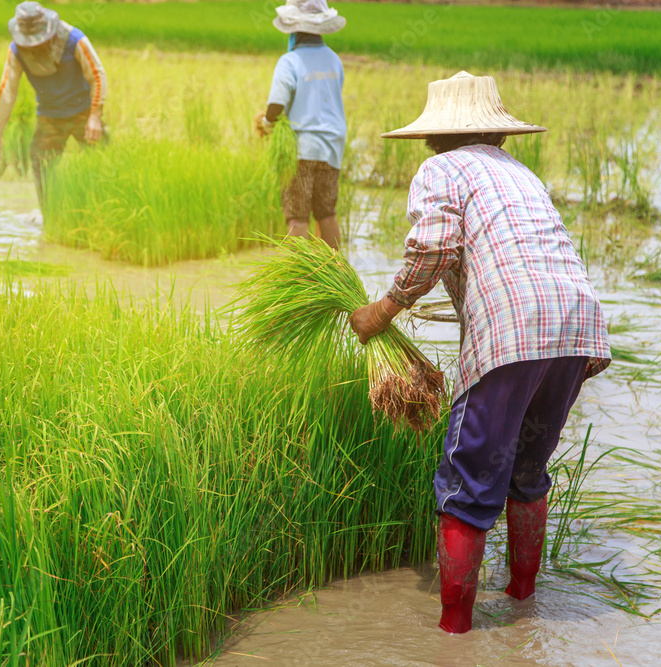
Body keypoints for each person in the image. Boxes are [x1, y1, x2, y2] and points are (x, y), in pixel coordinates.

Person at [348, 71, 611, 634]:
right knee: (526, 468)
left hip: (513, 331)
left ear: (432, 137)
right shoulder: (522, 174)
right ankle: (523, 602)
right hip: (575, 325)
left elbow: (434, 248)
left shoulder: (440, 168)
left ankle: (454, 633)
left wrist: (382, 311)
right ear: (501, 135)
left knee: (465, 484)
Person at [0, 1, 107, 204]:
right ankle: (51, 216)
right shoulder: (16, 50)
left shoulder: (72, 39)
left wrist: (95, 115)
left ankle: (105, 207)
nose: (33, 46)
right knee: (41, 163)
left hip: (83, 112)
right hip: (49, 116)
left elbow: (97, 75)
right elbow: (7, 90)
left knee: (103, 161)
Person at [256, 0, 346, 250]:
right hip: (332, 149)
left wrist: (264, 125)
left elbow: (275, 107)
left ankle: (298, 280)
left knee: (297, 216)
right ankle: (336, 274)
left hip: (301, 149)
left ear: (294, 27)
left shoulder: (289, 61)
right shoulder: (334, 60)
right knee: (326, 213)